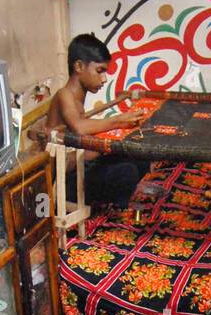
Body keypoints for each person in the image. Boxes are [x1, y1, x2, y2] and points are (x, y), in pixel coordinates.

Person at [47, 32, 146, 209]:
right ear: (78, 66)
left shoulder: (77, 98)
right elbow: (79, 127)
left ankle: (111, 203)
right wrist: (118, 121)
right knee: (127, 172)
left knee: (139, 158)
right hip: (64, 181)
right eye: (99, 71)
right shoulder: (64, 95)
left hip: (78, 167)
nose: (104, 78)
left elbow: (81, 145)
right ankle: (110, 212)